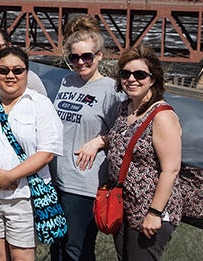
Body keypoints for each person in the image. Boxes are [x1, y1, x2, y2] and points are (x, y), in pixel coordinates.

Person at [0, 46, 63, 261]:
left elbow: (46, 153)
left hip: (23, 196)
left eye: (18, 70)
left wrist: (10, 176)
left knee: (22, 255)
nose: (10, 76)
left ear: (27, 72)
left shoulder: (40, 105)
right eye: (3, 70)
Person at [50, 15, 125, 261]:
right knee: (56, 244)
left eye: (87, 57)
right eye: (74, 57)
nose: (80, 62)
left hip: (83, 183)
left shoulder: (111, 90)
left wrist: (99, 141)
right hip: (55, 177)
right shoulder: (66, 81)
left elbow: (123, 133)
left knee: (77, 249)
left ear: (100, 56)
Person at [107, 44, 182, 260]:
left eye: (140, 74)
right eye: (125, 74)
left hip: (148, 209)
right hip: (124, 206)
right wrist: (98, 142)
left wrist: (154, 213)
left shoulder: (162, 115)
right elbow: (121, 140)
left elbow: (171, 169)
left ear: (153, 79)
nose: (132, 79)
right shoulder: (125, 108)